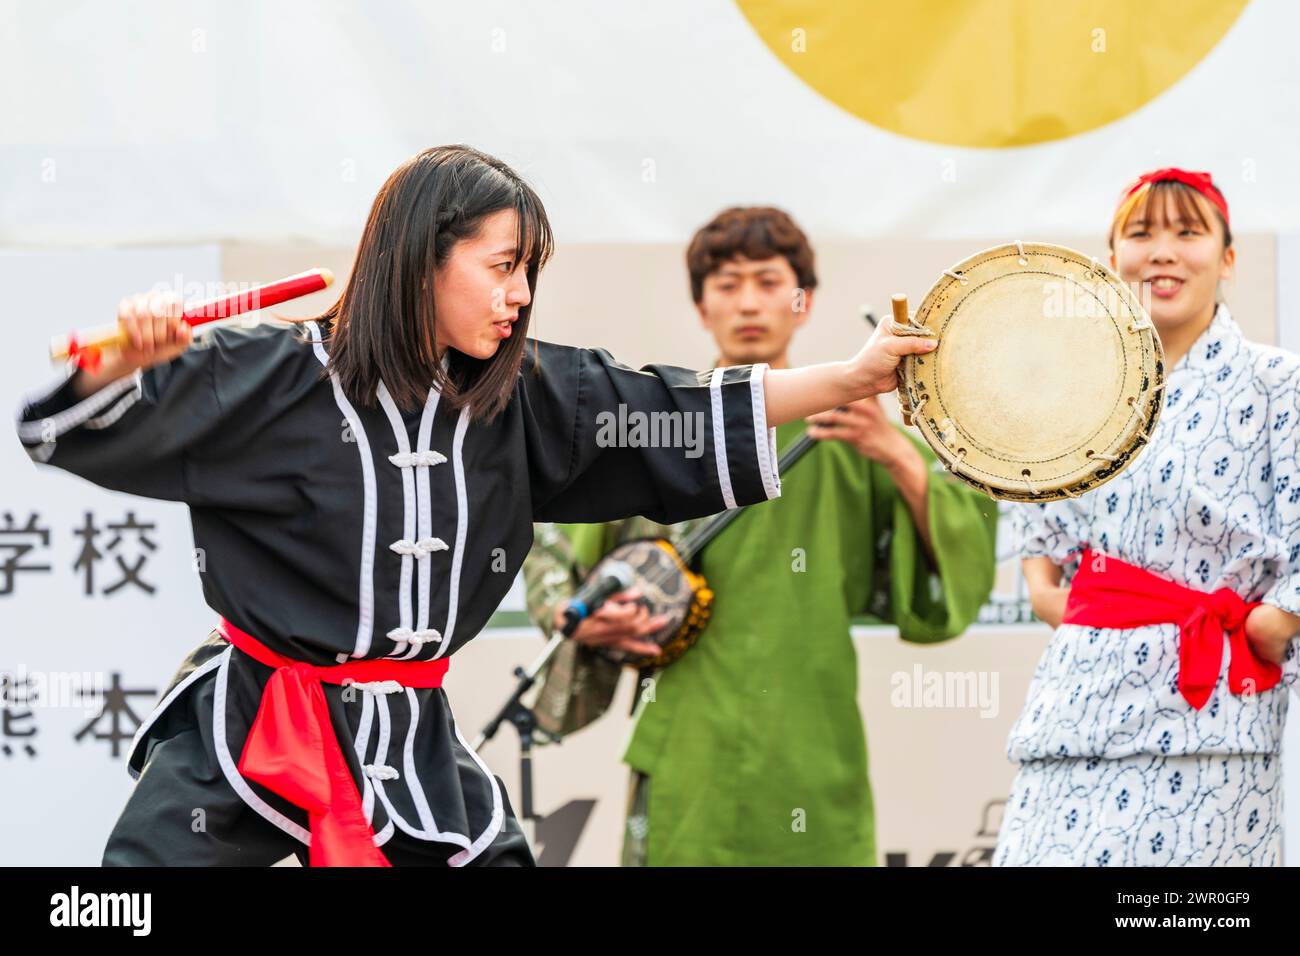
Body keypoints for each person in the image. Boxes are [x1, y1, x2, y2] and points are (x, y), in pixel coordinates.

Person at [15, 146, 939, 867]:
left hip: (409, 739)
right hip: (255, 724)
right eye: (503, 266)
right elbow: (70, 427)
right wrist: (124, 364)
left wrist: (851, 377)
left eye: (529, 269)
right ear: (425, 256)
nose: (521, 294)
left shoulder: (521, 394)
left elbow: (674, 408)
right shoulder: (272, 378)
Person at [523, 206, 998, 866]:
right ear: (700, 306)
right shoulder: (664, 427)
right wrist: (578, 616)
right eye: (727, 284)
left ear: (803, 303)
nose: (748, 302)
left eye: (770, 282)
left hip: (814, 747)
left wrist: (898, 454)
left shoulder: (856, 434)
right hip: (688, 746)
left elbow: (957, 570)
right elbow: (551, 544)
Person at [993, 168, 1300, 866]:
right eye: (1141, 234)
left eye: (1187, 233)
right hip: (1077, 709)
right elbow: (1044, 560)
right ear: (1111, 259)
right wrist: (1061, 602)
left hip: (1210, 720)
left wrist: (1274, 620)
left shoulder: (1279, 383)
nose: (1162, 252)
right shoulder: (1075, 394)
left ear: (1227, 258)